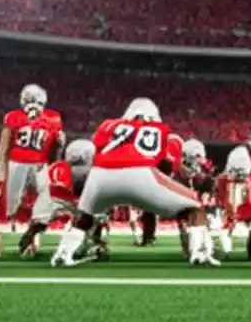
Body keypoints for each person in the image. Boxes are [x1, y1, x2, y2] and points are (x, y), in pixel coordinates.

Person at [50, 98, 217, 267]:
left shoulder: (108, 125)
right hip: (140, 173)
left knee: (84, 217)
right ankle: (199, 253)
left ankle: (63, 253)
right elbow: (166, 164)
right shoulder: (159, 129)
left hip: (100, 175)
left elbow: (96, 149)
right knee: (195, 206)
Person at [0, 84, 65, 228]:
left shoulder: (16, 116)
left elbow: (3, 146)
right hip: (23, 163)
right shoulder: (52, 118)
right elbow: (3, 145)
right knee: (14, 200)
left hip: (32, 163)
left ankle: (35, 222)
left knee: (45, 194)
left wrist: (0, 168)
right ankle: (12, 224)